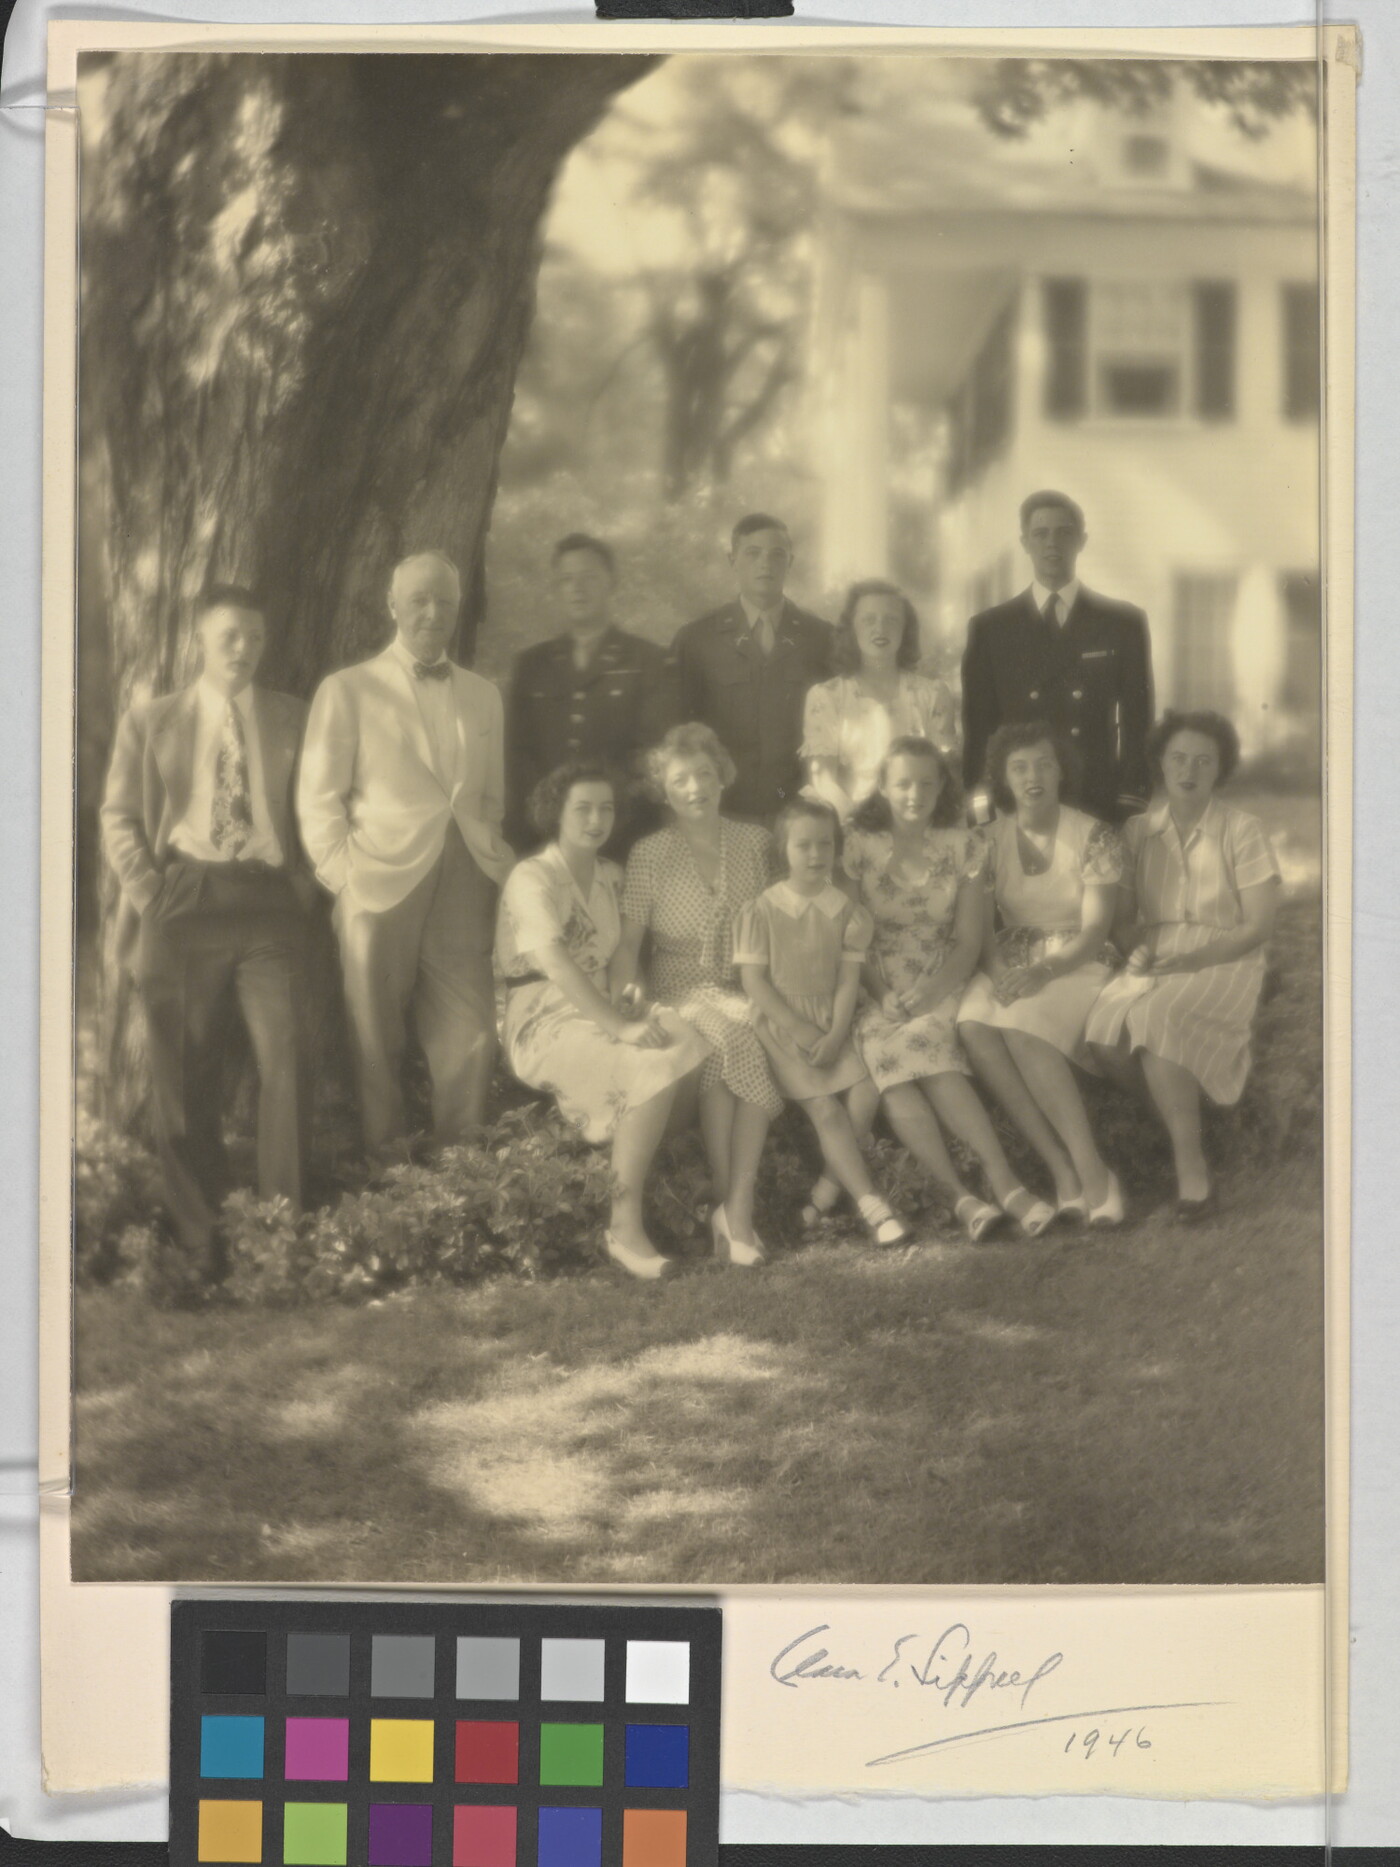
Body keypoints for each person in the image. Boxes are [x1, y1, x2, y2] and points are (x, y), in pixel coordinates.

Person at [100, 585, 315, 1278]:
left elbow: (321, 803)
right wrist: (148, 889)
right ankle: (201, 1237)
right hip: (184, 896)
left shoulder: (294, 716)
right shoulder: (153, 718)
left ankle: (280, 1232)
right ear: (199, 640)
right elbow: (119, 815)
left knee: (287, 1054)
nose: (244, 649)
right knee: (184, 1070)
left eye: (255, 636)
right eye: (229, 636)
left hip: (265, 901)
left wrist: (306, 883)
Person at [297, 550, 512, 1152]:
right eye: (418, 599)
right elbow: (318, 799)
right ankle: (386, 1174)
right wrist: (347, 878)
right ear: (391, 605)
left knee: (471, 1032)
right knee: (374, 1034)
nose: (432, 612)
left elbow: (489, 797)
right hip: (376, 876)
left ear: (458, 608)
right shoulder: (348, 689)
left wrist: (486, 855)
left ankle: (459, 1176)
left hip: (464, 873)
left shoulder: (483, 694)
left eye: (444, 600)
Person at [496, 763, 710, 1280]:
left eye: (606, 808)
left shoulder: (613, 875)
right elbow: (556, 964)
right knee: (645, 1061)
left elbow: (619, 957)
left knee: (689, 1040)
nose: (597, 819)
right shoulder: (533, 877)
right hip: (542, 1018)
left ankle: (645, 1174)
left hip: (601, 1009)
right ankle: (623, 1226)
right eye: (583, 808)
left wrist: (628, 992)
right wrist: (620, 1026)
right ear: (557, 813)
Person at [839, 737, 1057, 1242]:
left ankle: (1005, 1186)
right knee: (891, 1062)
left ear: (942, 787)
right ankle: (962, 1198)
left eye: (925, 783)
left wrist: (934, 990)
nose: (914, 793)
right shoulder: (858, 846)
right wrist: (878, 989)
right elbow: (850, 935)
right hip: (875, 979)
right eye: (902, 783)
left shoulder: (965, 846)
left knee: (922, 1045)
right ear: (883, 787)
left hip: (944, 972)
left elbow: (968, 939)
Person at [1086, 710, 1281, 1222]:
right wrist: (1138, 950)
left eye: (1203, 760)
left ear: (1220, 768)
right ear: (1159, 765)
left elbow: (1258, 925)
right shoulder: (1137, 831)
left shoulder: (1242, 830)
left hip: (1226, 955)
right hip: (1157, 951)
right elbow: (1124, 920)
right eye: (1178, 758)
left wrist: (1195, 958)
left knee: (1157, 1018)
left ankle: (1192, 1175)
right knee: (1103, 1035)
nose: (1188, 770)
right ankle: (1186, 1125)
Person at [615, 723, 784, 1268]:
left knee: (731, 1046)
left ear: (723, 778)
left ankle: (730, 1208)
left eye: (704, 774)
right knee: (734, 1036)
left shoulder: (756, 842)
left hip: (744, 983)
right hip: (678, 987)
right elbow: (629, 945)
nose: (694, 788)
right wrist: (628, 989)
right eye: (680, 779)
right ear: (663, 790)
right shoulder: (649, 853)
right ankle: (740, 1212)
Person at [957, 722, 1126, 1227]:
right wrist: (1001, 972)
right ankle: (1061, 1172)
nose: (1033, 776)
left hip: (1077, 960)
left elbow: (1097, 930)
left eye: (1044, 764)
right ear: (1003, 779)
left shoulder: (1094, 834)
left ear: (1061, 772)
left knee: (1025, 1028)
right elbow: (982, 929)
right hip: (1011, 958)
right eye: (1019, 767)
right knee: (973, 1023)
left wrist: (1042, 972)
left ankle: (1095, 1174)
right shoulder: (984, 840)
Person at [735, 798, 907, 1246]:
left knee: (868, 1088)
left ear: (836, 848)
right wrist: (800, 1030)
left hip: (832, 1022)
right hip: (782, 1025)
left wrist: (834, 1034)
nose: (815, 855)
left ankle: (826, 1191)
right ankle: (873, 1205)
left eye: (824, 845)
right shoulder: (762, 909)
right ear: (784, 850)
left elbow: (850, 980)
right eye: (803, 845)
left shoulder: (847, 912)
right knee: (826, 1109)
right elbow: (754, 982)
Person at [961, 491, 1154, 824]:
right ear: (1024, 542)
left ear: (1081, 541)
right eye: (1040, 534)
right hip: (1019, 796)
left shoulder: (1121, 623)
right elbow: (978, 727)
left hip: (1095, 796)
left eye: (1064, 532)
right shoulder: (991, 629)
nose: (1052, 543)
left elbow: (1138, 721)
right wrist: (981, 795)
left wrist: (1131, 794)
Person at [504, 534, 668, 856]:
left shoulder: (647, 660)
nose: (577, 588)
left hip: (622, 833)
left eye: (590, 578)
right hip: (542, 837)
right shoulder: (531, 665)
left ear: (612, 583)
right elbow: (517, 756)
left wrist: (604, 813)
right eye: (567, 580)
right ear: (557, 589)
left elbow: (654, 755)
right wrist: (543, 821)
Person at [666, 513, 833, 822]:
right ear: (733, 560)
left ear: (790, 562)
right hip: (720, 808)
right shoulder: (697, 639)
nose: (765, 564)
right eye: (752, 553)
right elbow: (676, 736)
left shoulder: (820, 639)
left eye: (776, 555)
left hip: (796, 808)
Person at [802, 580, 958, 822]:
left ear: (905, 629)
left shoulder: (932, 694)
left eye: (891, 620)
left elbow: (943, 775)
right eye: (869, 620)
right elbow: (823, 779)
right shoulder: (828, 696)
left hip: (919, 821)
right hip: (852, 823)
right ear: (852, 629)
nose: (880, 628)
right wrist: (858, 826)